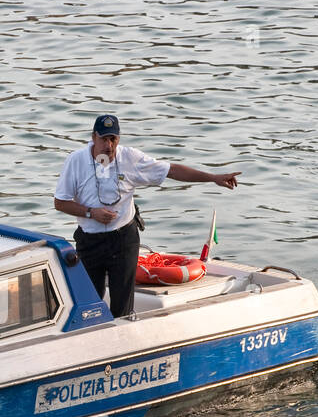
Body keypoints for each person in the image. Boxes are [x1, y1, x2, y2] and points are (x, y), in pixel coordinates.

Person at [53, 114, 239, 318]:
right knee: (89, 307)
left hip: (122, 240)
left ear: (119, 139)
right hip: (90, 241)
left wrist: (213, 178)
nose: (109, 145)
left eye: (113, 139)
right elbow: (60, 203)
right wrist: (91, 212)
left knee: (122, 309)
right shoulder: (76, 161)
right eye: (104, 139)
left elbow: (172, 171)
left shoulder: (130, 158)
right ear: (93, 137)